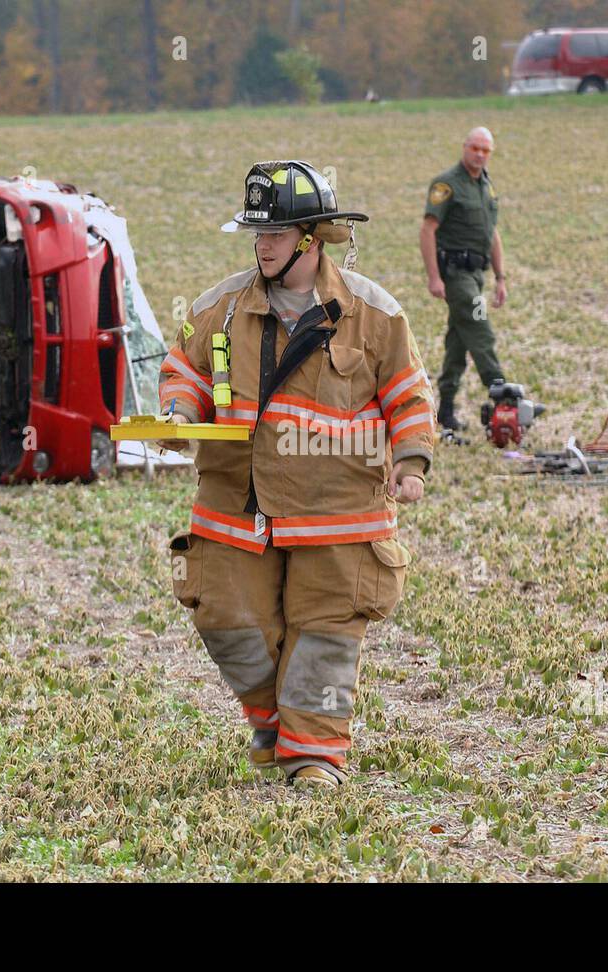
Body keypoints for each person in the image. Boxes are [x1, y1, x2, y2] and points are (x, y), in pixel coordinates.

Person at [157, 160, 434, 789]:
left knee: (324, 637)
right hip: (236, 503)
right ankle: (271, 721)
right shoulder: (218, 306)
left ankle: (313, 758)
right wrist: (177, 412)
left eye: (274, 235)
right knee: (227, 619)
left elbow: (409, 395)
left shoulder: (373, 313)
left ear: (310, 238)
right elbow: (185, 372)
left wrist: (413, 461)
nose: (261, 245)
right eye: (257, 235)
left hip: (338, 511)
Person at [421, 126, 508, 433]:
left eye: (486, 150)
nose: (480, 155)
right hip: (456, 274)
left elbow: (492, 233)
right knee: (479, 324)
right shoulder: (447, 184)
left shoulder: (486, 186)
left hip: (477, 273)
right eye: (475, 148)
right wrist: (434, 277)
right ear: (465, 147)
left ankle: (444, 409)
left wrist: (500, 277)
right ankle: (501, 392)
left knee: (458, 342)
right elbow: (428, 229)